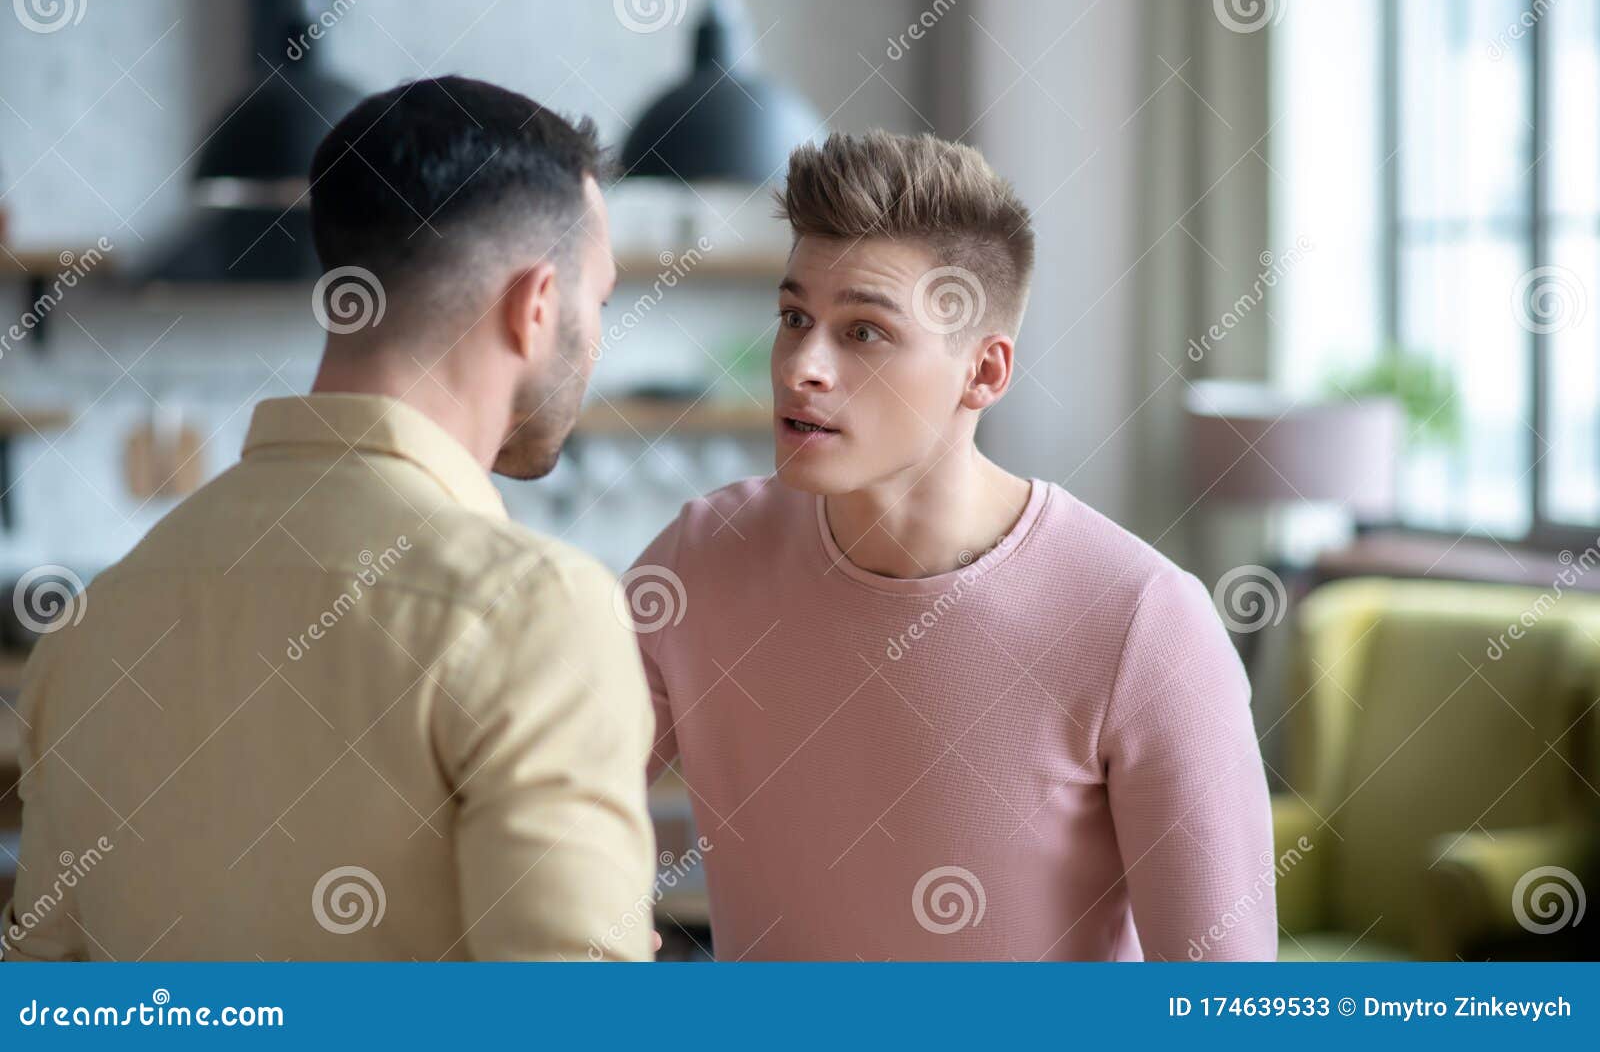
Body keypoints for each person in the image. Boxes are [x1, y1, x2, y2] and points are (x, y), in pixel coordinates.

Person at [1, 76, 656, 961]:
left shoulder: (94, 622)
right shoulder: (538, 610)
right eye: (600, 301)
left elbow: (46, 997)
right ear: (536, 306)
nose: (599, 336)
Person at [626, 130, 1277, 960]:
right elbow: (546, 804)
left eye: (864, 331)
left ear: (985, 372)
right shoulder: (697, 561)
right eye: (795, 318)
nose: (799, 367)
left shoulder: (1144, 621)